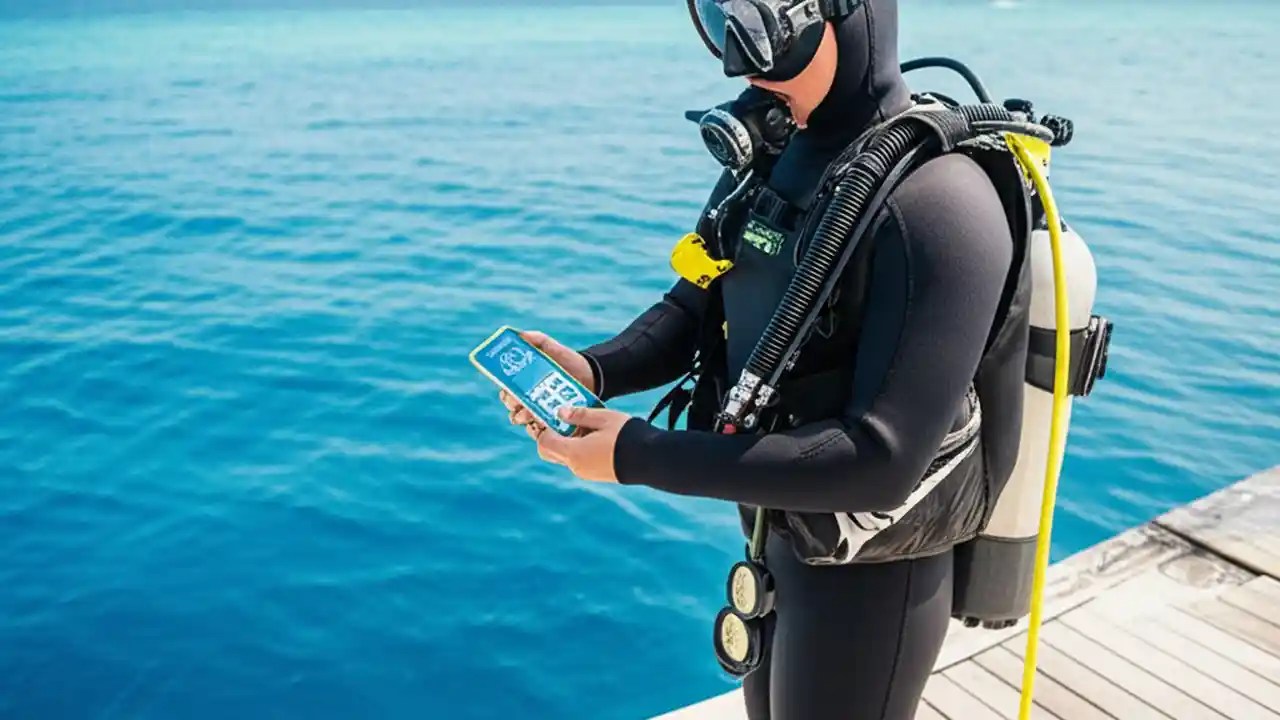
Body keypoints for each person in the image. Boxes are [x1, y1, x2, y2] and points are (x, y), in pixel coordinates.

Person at [498, 0, 1025, 717]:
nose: (737, 62)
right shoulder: (769, 163)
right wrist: (594, 371)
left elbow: (882, 460)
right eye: (720, 24)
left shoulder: (938, 204)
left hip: (871, 578)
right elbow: (692, 308)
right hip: (777, 537)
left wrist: (638, 455)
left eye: (762, 30)